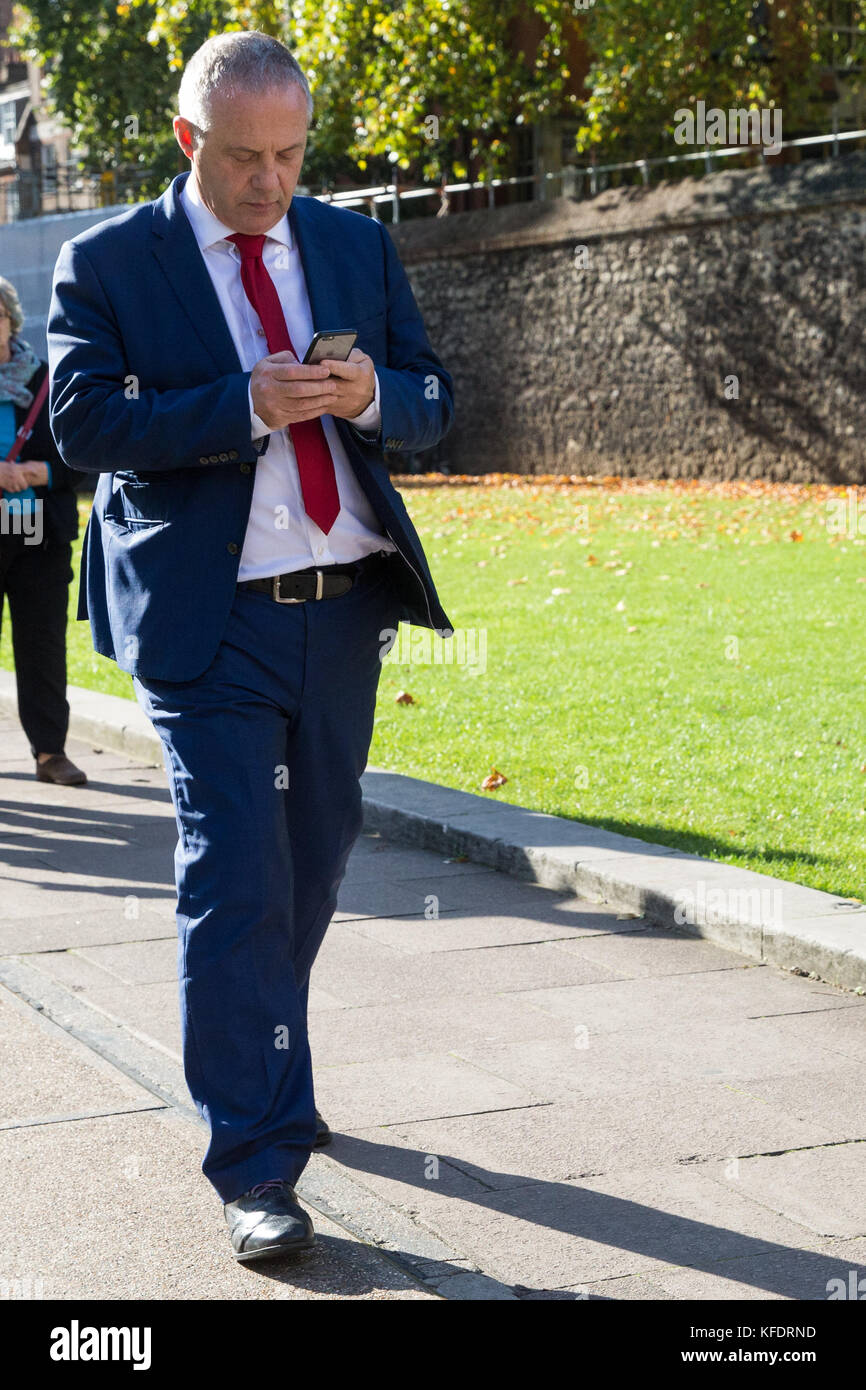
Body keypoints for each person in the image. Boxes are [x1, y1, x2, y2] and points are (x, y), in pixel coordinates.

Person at [48, 30, 453, 1262]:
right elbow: (80, 422)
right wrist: (240, 407)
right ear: (188, 141)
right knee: (238, 881)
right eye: (241, 157)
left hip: (341, 615)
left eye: (287, 154)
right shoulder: (108, 260)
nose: (268, 181)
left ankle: (269, 1062)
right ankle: (256, 1162)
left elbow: (438, 398)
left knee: (314, 867)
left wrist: (372, 395)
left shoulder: (350, 242)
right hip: (205, 625)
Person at [0, 275, 86, 787]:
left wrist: (40, 474)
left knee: (42, 645)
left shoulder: (47, 381)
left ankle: (50, 752)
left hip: (35, 531)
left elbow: (83, 457)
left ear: (10, 320)